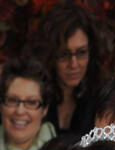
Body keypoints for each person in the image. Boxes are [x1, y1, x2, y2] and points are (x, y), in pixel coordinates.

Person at [38, 3, 102, 136]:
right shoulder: (33, 94)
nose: (74, 64)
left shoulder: (101, 99)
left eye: (81, 52)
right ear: (49, 55)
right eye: (64, 54)